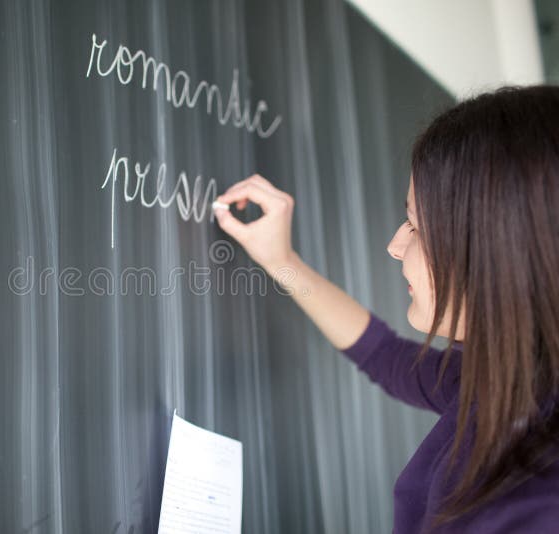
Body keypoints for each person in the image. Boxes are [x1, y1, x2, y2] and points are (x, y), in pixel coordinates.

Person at [213, 85, 559, 533]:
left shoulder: (541, 502)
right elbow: (383, 354)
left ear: (499, 249)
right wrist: (282, 262)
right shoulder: (502, 383)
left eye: (416, 226)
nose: (395, 246)